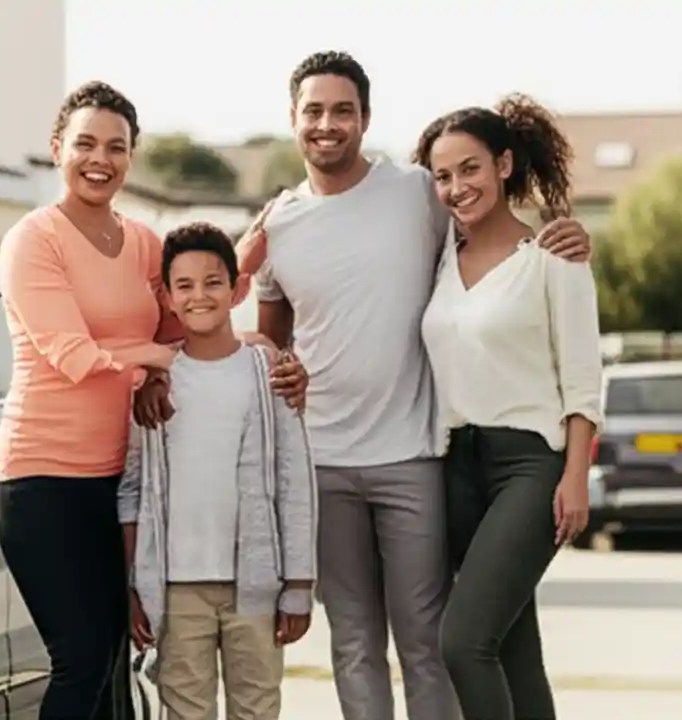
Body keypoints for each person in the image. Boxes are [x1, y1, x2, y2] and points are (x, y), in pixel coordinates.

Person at [234, 52, 594, 720]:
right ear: (293, 120)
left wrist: (564, 232)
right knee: (357, 642)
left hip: (417, 458)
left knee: (437, 642)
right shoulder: (280, 222)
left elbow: (492, 227)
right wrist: (276, 358)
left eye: (343, 110)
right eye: (313, 110)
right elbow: (258, 326)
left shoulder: (412, 193)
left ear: (365, 118)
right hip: (327, 461)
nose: (327, 124)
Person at [0, 80, 306, 719]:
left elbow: (190, 313)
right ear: (58, 149)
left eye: (117, 146)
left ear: (132, 156)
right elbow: (72, 355)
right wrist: (158, 363)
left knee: (116, 655)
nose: (100, 159)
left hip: (121, 477)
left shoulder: (139, 241)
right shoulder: (34, 239)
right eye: (85, 144)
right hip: (43, 479)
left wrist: (265, 354)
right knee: (79, 658)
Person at [414, 94, 602, 720]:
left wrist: (575, 476)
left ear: (503, 164)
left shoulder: (555, 257)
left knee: (464, 643)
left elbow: (582, 380)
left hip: (530, 466)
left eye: (469, 168)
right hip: (457, 466)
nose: (456, 187)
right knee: (514, 650)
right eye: (442, 176)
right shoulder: (440, 259)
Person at [118, 222, 318, 720]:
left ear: (236, 289)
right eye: (183, 286)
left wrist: (298, 584)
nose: (199, 296)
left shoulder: (266, 371)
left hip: (256, 584)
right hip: (175, 587)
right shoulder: (154, 382)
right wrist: (132, 586)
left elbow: (294, 482)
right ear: (166, 296)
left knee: (257, 707)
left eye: (212, 282)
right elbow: (132, 490)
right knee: (185, 710)